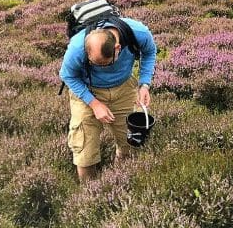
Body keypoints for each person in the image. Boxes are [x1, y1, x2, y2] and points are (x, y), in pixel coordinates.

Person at [59, 15, 158, 182]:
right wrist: (94, 103)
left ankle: (121, 181)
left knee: (130, 143)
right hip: (87, 91)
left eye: (104, 64)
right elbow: (67, 75)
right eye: (94, 63)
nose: (100, 68)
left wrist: (144, 84)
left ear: (118, 48)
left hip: (124, 89)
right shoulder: (77, 46)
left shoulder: (138, 32)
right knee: (85, 149)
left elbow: (149, 52)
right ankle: (89, 193)